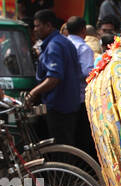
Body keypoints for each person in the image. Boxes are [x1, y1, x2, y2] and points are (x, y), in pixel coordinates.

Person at [25, 9, 84, 149]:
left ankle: (63, 171)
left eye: (38, 25)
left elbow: (54, 78)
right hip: (70, 104)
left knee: (60, 148)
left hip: (58, 105)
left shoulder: (54, 46)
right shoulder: (64, 42)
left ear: (48, 26)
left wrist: (33, 93)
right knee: (66, 146)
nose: (35, 29)